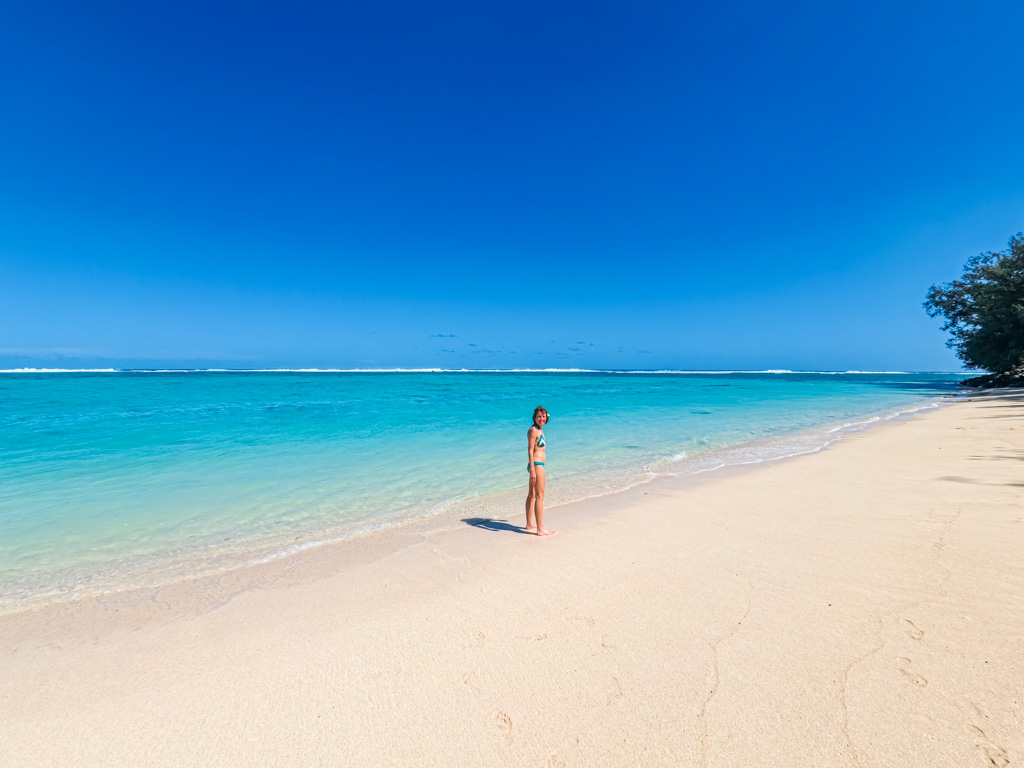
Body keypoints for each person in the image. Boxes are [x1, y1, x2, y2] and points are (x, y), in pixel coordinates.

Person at [525, 406, 555, 536]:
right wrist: (532, 470)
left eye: (543, 416)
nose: (541, 418)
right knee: (540, 496)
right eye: (539, 416)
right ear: (534, 418)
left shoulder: (540, 430)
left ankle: (529, 524)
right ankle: (540, 528)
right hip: (537, 466)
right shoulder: (534, 431)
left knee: (532, 495)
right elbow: (530, 450)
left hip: (537, 465)